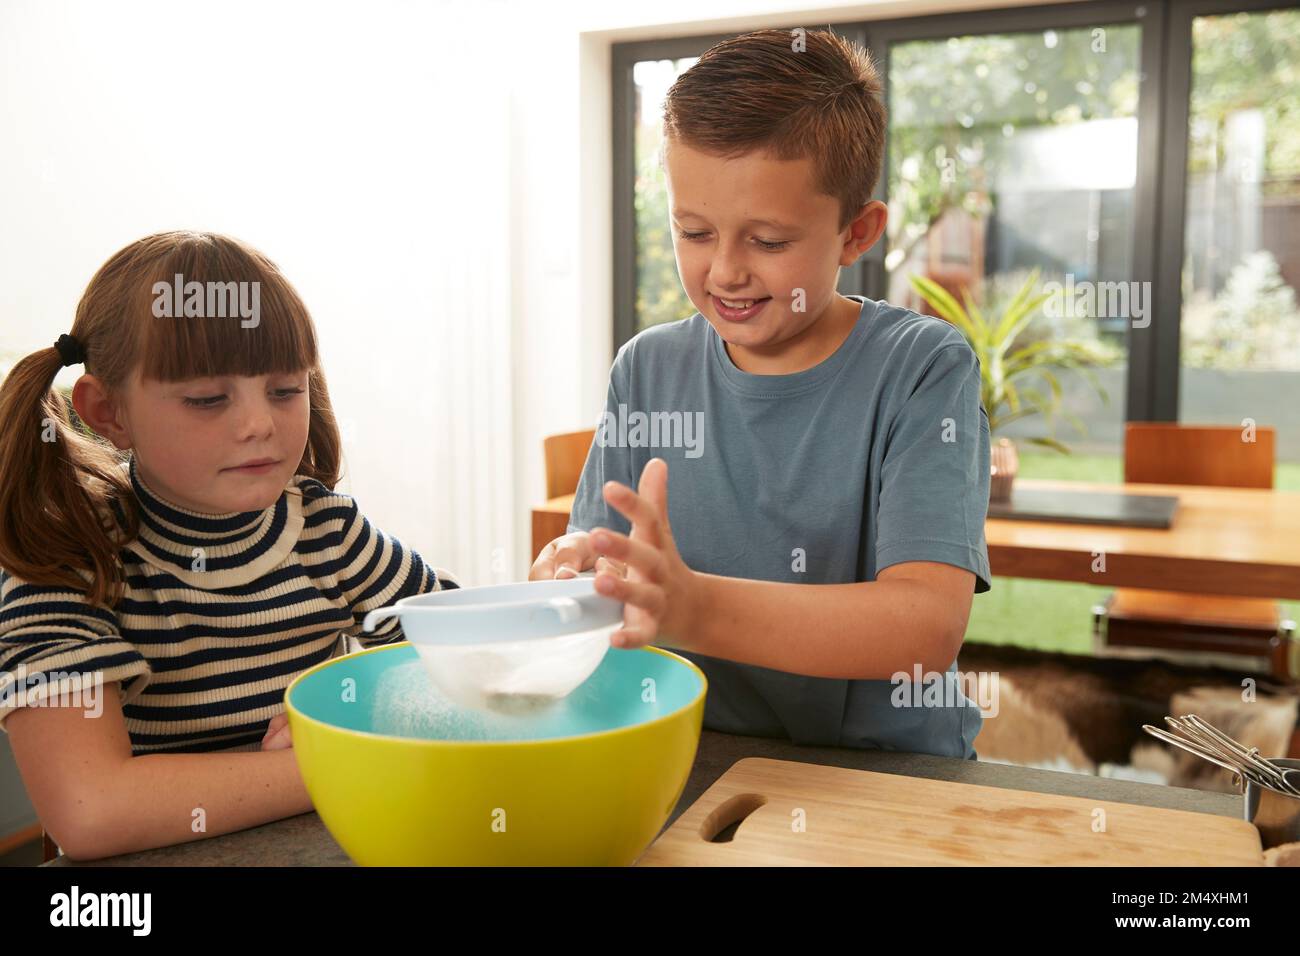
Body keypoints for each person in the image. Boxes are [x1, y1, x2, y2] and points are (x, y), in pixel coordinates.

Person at [531, 29, 991, 759]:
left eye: (768, 241)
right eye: (694, 231)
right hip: (693, 752)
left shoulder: (922, 366)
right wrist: (576, 576)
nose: (725, 271)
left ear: (856, 233)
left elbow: (923, 628)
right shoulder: (646, 371)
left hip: (890, 776)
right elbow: (610, 571)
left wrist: (696, 608)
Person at [0, 231, 458, 860]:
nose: (259, 424)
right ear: (108, 412)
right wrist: (341, 755)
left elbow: (468, 656)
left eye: (284, 390)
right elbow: (91, 808)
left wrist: (362, 701)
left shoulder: (325, 531)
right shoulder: (71, 561)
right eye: (208, 399)